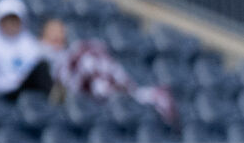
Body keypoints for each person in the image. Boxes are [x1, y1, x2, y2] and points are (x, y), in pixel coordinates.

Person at [35, 18, 179, 125]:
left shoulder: (72, 50)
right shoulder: (37, 53)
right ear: (44, 34)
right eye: (54, 31)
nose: (59, 35)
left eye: (61, 30)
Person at [0, 0, 54, 101]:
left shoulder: (28, 42)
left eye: (14, 21)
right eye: (7, 21)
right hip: (1, 93)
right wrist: (9, 83)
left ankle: (55, 100)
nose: (11, 25)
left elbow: (36, 65)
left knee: (42, 66)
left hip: (24, 89)